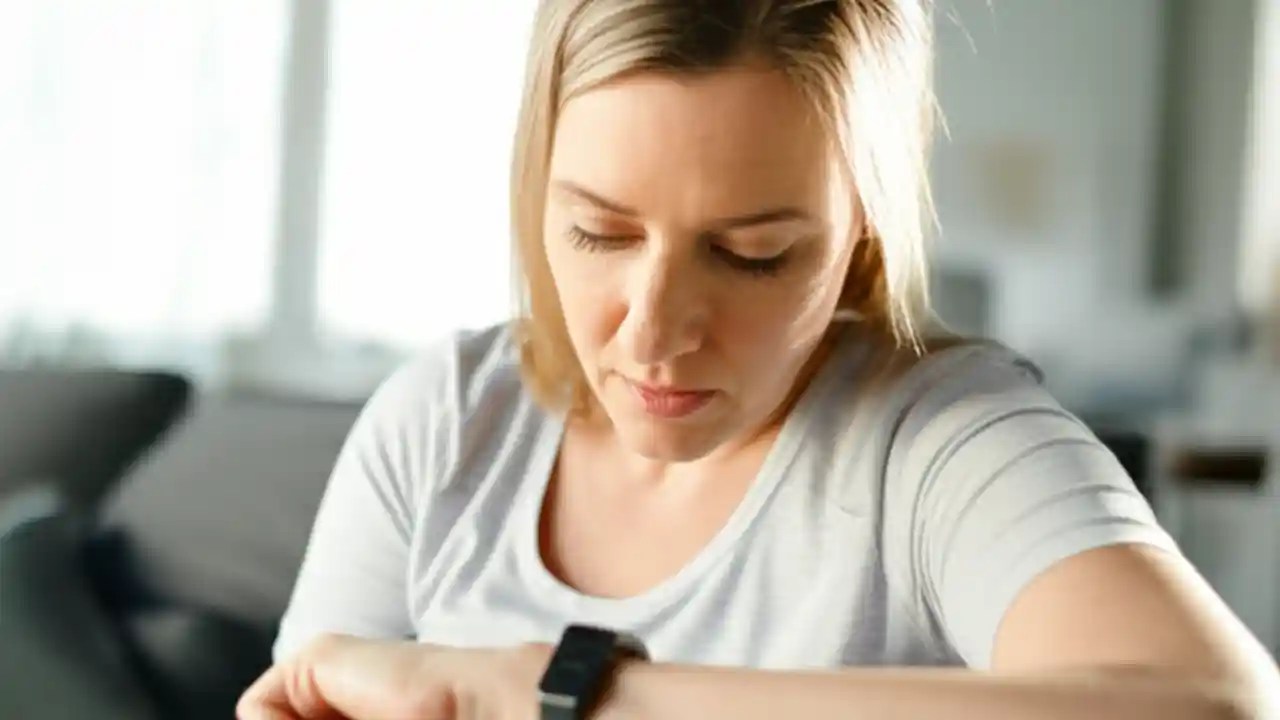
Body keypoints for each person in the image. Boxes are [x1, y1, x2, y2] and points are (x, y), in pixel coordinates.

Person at [238, 1, 1280, 718]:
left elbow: (1215, 706)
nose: (651, 329)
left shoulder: (934, 442)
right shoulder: (445, 420)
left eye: (750, 256)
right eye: (598, 234)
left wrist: (538, 694)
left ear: (863, 222)